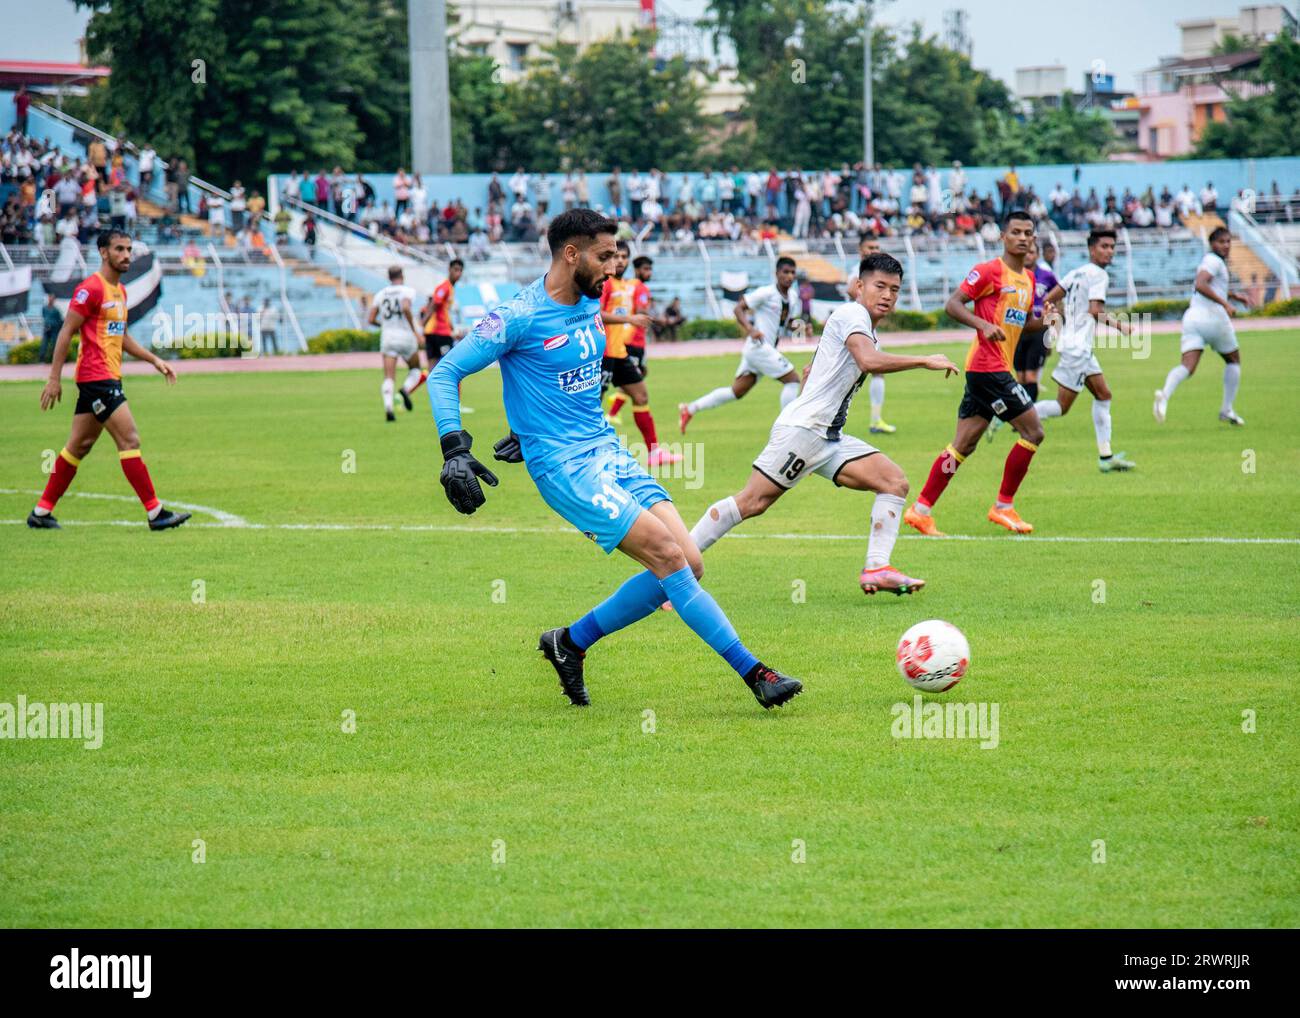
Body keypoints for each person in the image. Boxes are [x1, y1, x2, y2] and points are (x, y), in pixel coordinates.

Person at [429, 208, 803, 710]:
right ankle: (756, 674)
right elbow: (445, 373)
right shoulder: (517, 315)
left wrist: (525, 425)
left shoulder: (591, 299)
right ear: (571, 253)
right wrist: (455, 448)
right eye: (605, 256)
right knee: (668, 556)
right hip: (566, 470)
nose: (614, 267)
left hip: (609, 450)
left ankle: (570, 642)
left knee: (690, 563)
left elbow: (560, 376)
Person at [690, 253, 957, 596]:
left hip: (828, 437)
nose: (888, 295)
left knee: (893, 482)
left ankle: (877, 568)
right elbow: (868, 360)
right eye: (880, 286)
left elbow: (810, 372)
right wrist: (925, 359)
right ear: (859, 286)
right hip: (806, 432)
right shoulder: (852, 314)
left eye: (894, 289)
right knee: (751, 502)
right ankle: (674, 567)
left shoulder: (861, 325)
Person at [27, 229, 190, 531]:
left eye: (128, 249)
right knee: (130, 439)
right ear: (104, 252)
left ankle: (41, 511)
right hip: (97, 379)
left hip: (106, 378)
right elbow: (66, 331)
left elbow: (121, 336)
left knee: (79, 445)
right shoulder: (91, 289)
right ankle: (156, 513)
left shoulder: (121, 292)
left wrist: (155, 360)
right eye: (119, 249)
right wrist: (53, 378)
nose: (126, 255)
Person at [903, 211, 1045, 537]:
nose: (1023, 238)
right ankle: (1003, 506)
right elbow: (953, 304)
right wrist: (982, 325)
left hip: (992, 369)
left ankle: (920, 510)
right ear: (1003, 237)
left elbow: (1022, 326)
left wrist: (1049, 319)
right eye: (1016, 232)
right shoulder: (989, 271)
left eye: (1028, 233)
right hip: (988, 368)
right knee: (1034, 432)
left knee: (963, 445)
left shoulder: (1029, 279)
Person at [1032, 230, 1137, 472]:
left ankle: (1106, 457)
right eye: (1104, 246)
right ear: (1092, 249)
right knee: (1061, 407)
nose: (1109, 251)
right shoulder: (1099, 275)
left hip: (1077, 346)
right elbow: (1095, 311)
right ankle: (1010, 411)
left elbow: (1049, 298)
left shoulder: (1076, 272)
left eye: (1112, 247)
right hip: (1077, 349)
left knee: (1104, 395)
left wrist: (1054, 314)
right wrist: (1120, 327)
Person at [678, 257, 802, 433]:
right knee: (793, 380)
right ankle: (787, 430)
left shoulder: (793, 297)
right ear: (776, 273)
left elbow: (785, 321)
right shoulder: (766, 293)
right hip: (759, 347)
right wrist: (751, 329)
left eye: (792, 273)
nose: (789, 276)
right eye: (785, 272)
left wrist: (799, 326)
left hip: (763, 350)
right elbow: (738, 308)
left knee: (736, 391)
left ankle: (690, 409)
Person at [1154, 226, 1249, 426]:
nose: (1226, 245)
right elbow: (1200, 284)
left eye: (1228, 241)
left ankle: (1164, 395)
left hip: (1192, 317)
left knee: (1187, 367)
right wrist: (1225, 304)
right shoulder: (1214, 261)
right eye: (1221, 242)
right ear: (1212, 244)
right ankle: (1227, 409)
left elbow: (1210, 286)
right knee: (1233, 360)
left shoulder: (1208, 261)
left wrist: (1233, 295)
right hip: (1214, 318)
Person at [599, 242, 679, 466]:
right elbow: (595, 313)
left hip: (619, 352)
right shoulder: (604, 283)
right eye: (616, 256)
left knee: (641, 395)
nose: (620, 260)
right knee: (592, 405)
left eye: (624, 256)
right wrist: (629, 319)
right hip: (602, 354)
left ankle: (654, 452)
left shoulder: (626, 285)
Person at [367, 265, 425, 422]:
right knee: (415, 369)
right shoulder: (407, 291)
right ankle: (405, 389)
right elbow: (405, 307)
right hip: (406, 336)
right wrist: (415, 332)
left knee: (389, 376)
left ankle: (388, 407)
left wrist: (384, 325)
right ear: (402, 276)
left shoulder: (380, 294)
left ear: (389, 277)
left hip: (388, 337)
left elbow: (370, 319)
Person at [850, 235, 894, 434]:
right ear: (861, 249)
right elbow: (850, 289)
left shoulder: (874, 273)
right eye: (870, 247)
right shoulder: (859, 271)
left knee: (877, 372)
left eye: (877, 247)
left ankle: (876, 420)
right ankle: (875, 421)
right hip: (856, 330)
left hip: (866, 328)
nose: (874, 250)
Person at [40, 293, 63, 363]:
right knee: (44, 344)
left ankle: (53, 359)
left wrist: (54, 326)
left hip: (54, 329)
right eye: (50, 298)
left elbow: (59, 320)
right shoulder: (44, 308)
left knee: (54, 344)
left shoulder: (56, 310)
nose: (51, 300)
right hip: (46, 329)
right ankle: (42, 359)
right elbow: (44, 317)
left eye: (52, 298)